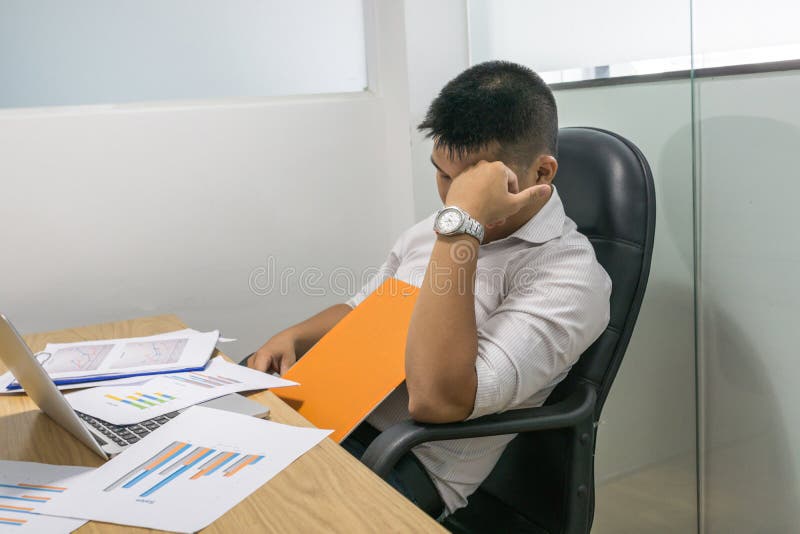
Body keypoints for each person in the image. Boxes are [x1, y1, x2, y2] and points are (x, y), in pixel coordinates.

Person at [246, 60, 611, 519]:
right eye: (443, 175)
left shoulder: (569, 278)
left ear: (541, 173)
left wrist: (464, 226)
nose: (450, 199)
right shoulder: (433, 232)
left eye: (473, 184)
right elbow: (365, 307)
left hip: (402, 461)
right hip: (329, 416)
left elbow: (438, 401)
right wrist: (296, 335)